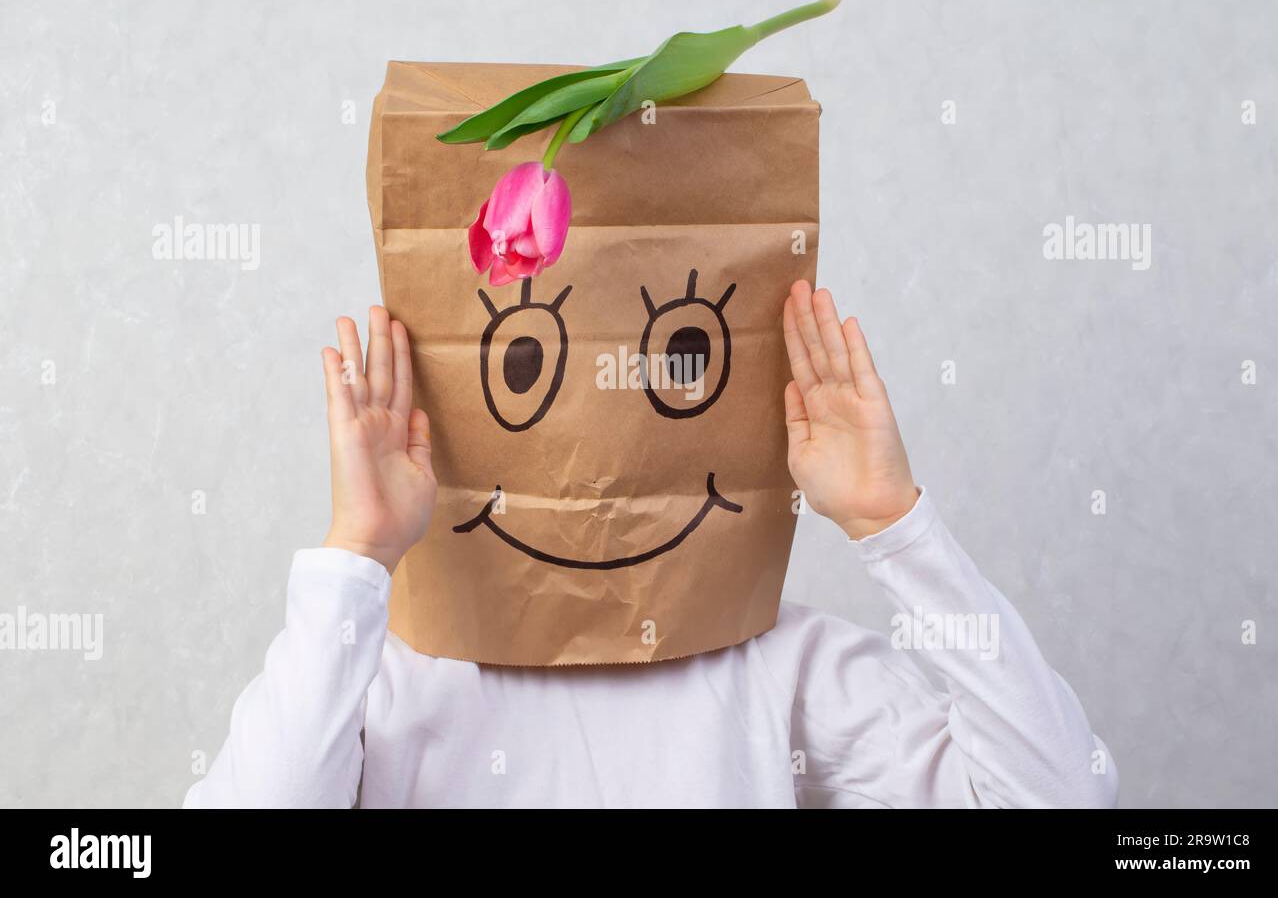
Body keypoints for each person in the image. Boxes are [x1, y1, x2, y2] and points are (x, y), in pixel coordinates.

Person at [184, 281, 1117, 808]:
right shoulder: (388, 678)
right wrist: (359, 553)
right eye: (523, 370)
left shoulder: (775, 663)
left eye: (675, 363)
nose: (594, 455)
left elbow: (1062, 801)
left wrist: (895, 525)